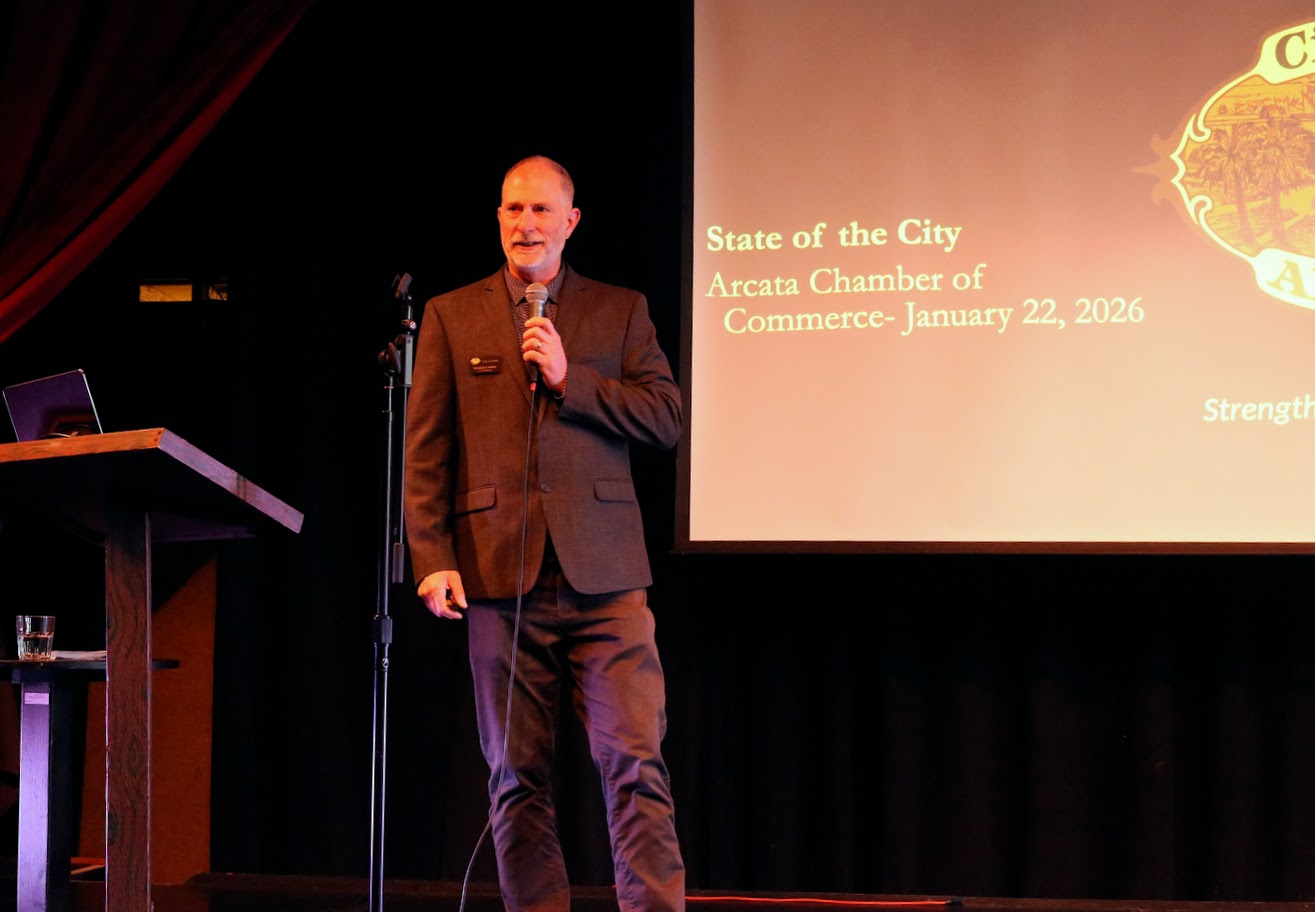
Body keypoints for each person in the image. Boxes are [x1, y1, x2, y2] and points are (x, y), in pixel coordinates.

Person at [403, 154, 686, 912]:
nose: (524, 224)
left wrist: (571, 379)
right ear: (498, 218)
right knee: (513, 774)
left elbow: (665, 418)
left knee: (633, 761)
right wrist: (430, 557)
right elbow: (426, 450)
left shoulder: (617, 309)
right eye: (511, 209)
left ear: (570, 221)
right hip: (497, 573)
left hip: (606, 575)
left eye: (539, 211)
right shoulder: (450, 314)